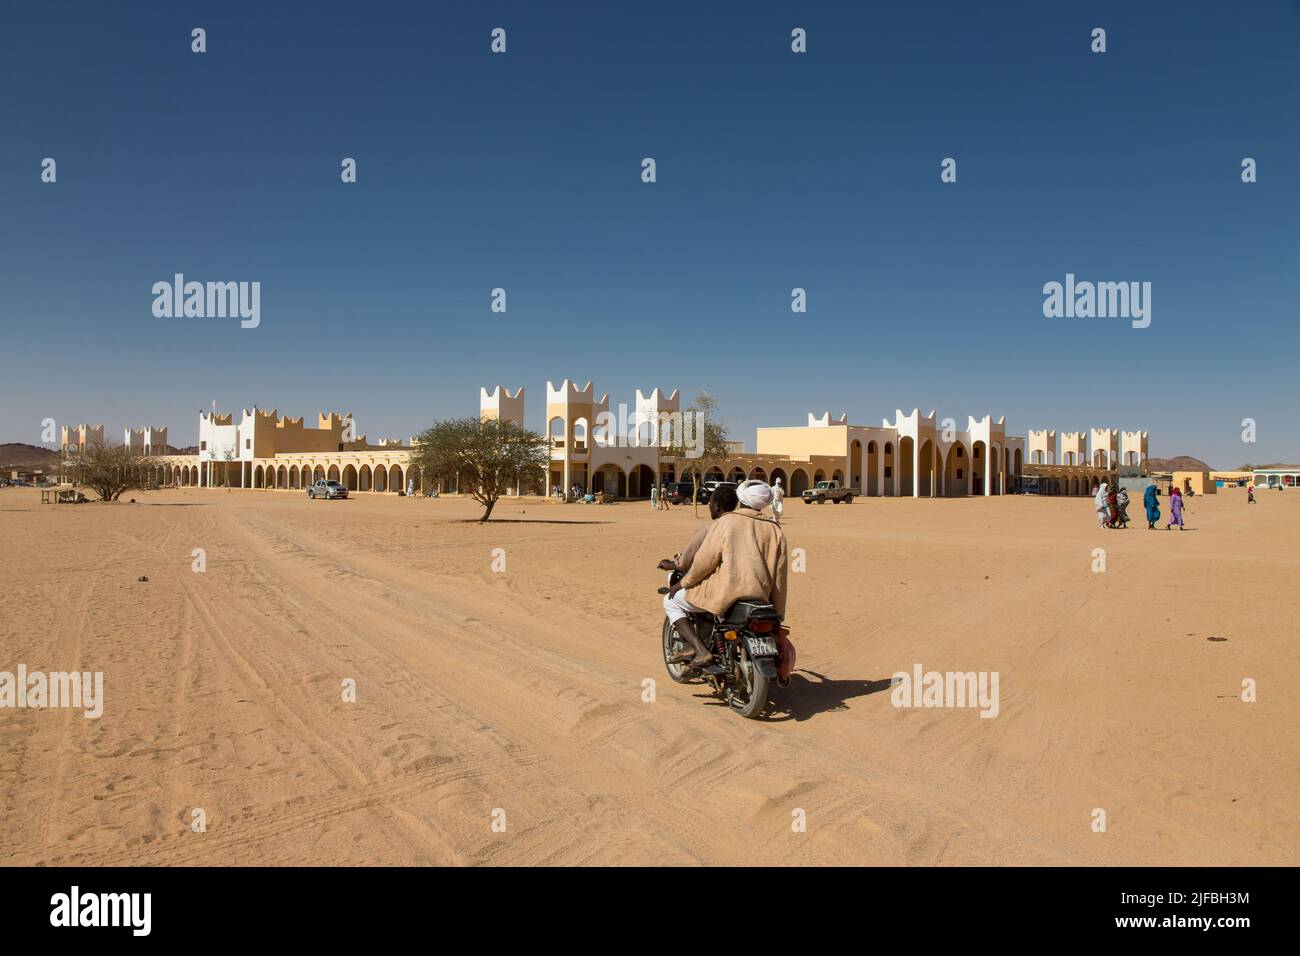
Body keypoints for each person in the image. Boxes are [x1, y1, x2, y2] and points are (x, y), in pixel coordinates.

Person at [665, 480, 787, 669]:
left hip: (725, 595)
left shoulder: (726, 522)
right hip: (761, 596)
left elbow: (704, 562)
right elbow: (780, 576)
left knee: (671, 601)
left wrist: (683, 584)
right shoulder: (775, 529)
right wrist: (778, 613)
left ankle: (700, 650)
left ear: (741, 498)